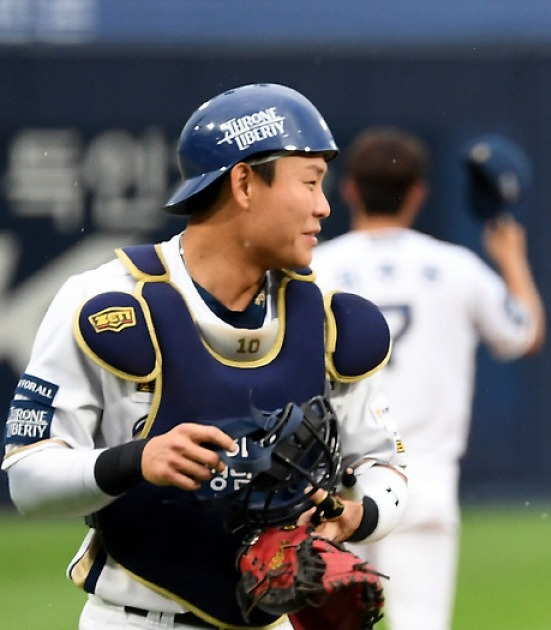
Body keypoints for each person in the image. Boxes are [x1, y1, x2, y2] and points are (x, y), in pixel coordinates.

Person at [1, 83, 409, 630]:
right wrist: (135, 461)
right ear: (244, 182)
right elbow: (28, 481)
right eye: (310, 182)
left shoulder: (330, 319)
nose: (324, 206)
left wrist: (357, 516)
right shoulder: (111, 302)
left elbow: (384, 466)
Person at [310, 127, 545, 630]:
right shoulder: (456, 267)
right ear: (418, 193)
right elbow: (523, 334)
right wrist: (511, 257)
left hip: (333, 484)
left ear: (348, 189)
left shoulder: (314, 269)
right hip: (423, 479)